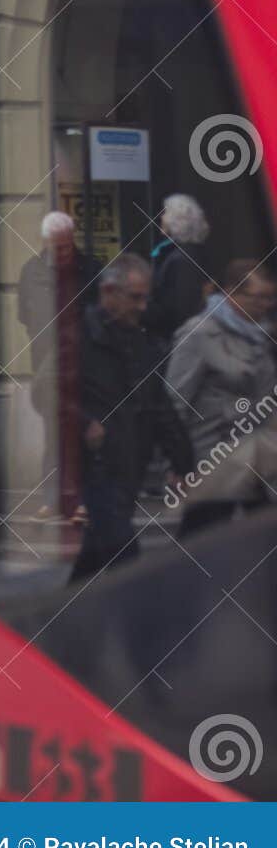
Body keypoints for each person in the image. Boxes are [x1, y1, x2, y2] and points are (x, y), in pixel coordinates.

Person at [71, 253, 193, 581]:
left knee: (97, 551)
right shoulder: (75, 337)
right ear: (109, 292)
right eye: (135, 297)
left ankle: (61, 616)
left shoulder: (142, 343)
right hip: (94, 466)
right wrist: (84, 423)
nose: (142, 307)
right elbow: (47, 392)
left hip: (130, 463)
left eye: (146, 298)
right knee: (126, 554)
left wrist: (183, 463)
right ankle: (145, 623)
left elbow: (159, 406)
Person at [166, 260, 277, 537]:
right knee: (203, 534)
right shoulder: (200, 333)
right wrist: (176, 463)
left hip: (258, 456)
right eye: (258, 297)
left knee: (264, 537)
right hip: (214, 456)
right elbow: (175, 399)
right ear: (231, 294)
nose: (266, 305)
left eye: (270, 297)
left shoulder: (262, 337)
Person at [18, 210, 102, 522]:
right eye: (57, 247)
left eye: (67, 246)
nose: (64, 253)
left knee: (83, 429)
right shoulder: (31, 271)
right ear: (46, 243)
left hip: (83, 364)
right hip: (46, 366)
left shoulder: (90, 269)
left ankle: (83, 500)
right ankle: (52, 499)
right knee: (54, 432)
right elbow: (24, 315)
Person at [146, 193, 212, 341]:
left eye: (165, 214)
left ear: (176, 221)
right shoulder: (188, 253)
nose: (161, 219)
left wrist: (144, 310)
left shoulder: (180, 259)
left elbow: (179, 310)